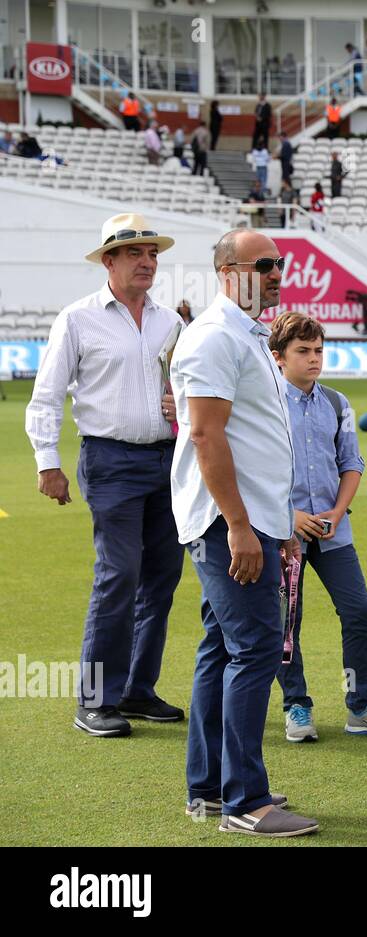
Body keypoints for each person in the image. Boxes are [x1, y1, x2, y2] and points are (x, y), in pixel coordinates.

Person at [170, 229, 318, 837]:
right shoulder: (214, 337)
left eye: (281, 263)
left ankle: (209, 790)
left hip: (251, 517)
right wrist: (239, 525)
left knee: (221, 649)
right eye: (266, 264)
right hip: (228, 521)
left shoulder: (248, 335)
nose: (279, 272)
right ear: (229, 271)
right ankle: (245, 801)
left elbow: (255, 437)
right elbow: (206, 435)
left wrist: (273, 523)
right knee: (255, 648)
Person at [26, 213, 186, 738]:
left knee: (161, 580)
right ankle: (95, 700)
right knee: (119, 576)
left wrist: (178, 401)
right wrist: (47, 460)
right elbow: (47, 394)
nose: (146, 262)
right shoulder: (77, 318)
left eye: (152, 254)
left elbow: (185, 387)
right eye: (135, 253)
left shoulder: (172, 323)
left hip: (168, 461)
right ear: (108, 261)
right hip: (110, 461)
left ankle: (138, 690)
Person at [267, 312, 367, 743]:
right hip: (285, 531)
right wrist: (287, 517)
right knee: (286, 621)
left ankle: (360, 706)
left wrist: (337, 510)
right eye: (303, 352)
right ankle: (296, 705)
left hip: (334, 531)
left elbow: (351, 463)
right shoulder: (265, 403)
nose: (314, 360)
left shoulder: (337, 402)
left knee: (357, 611)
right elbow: (249, 469)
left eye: (318, 351)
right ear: (278, 357)